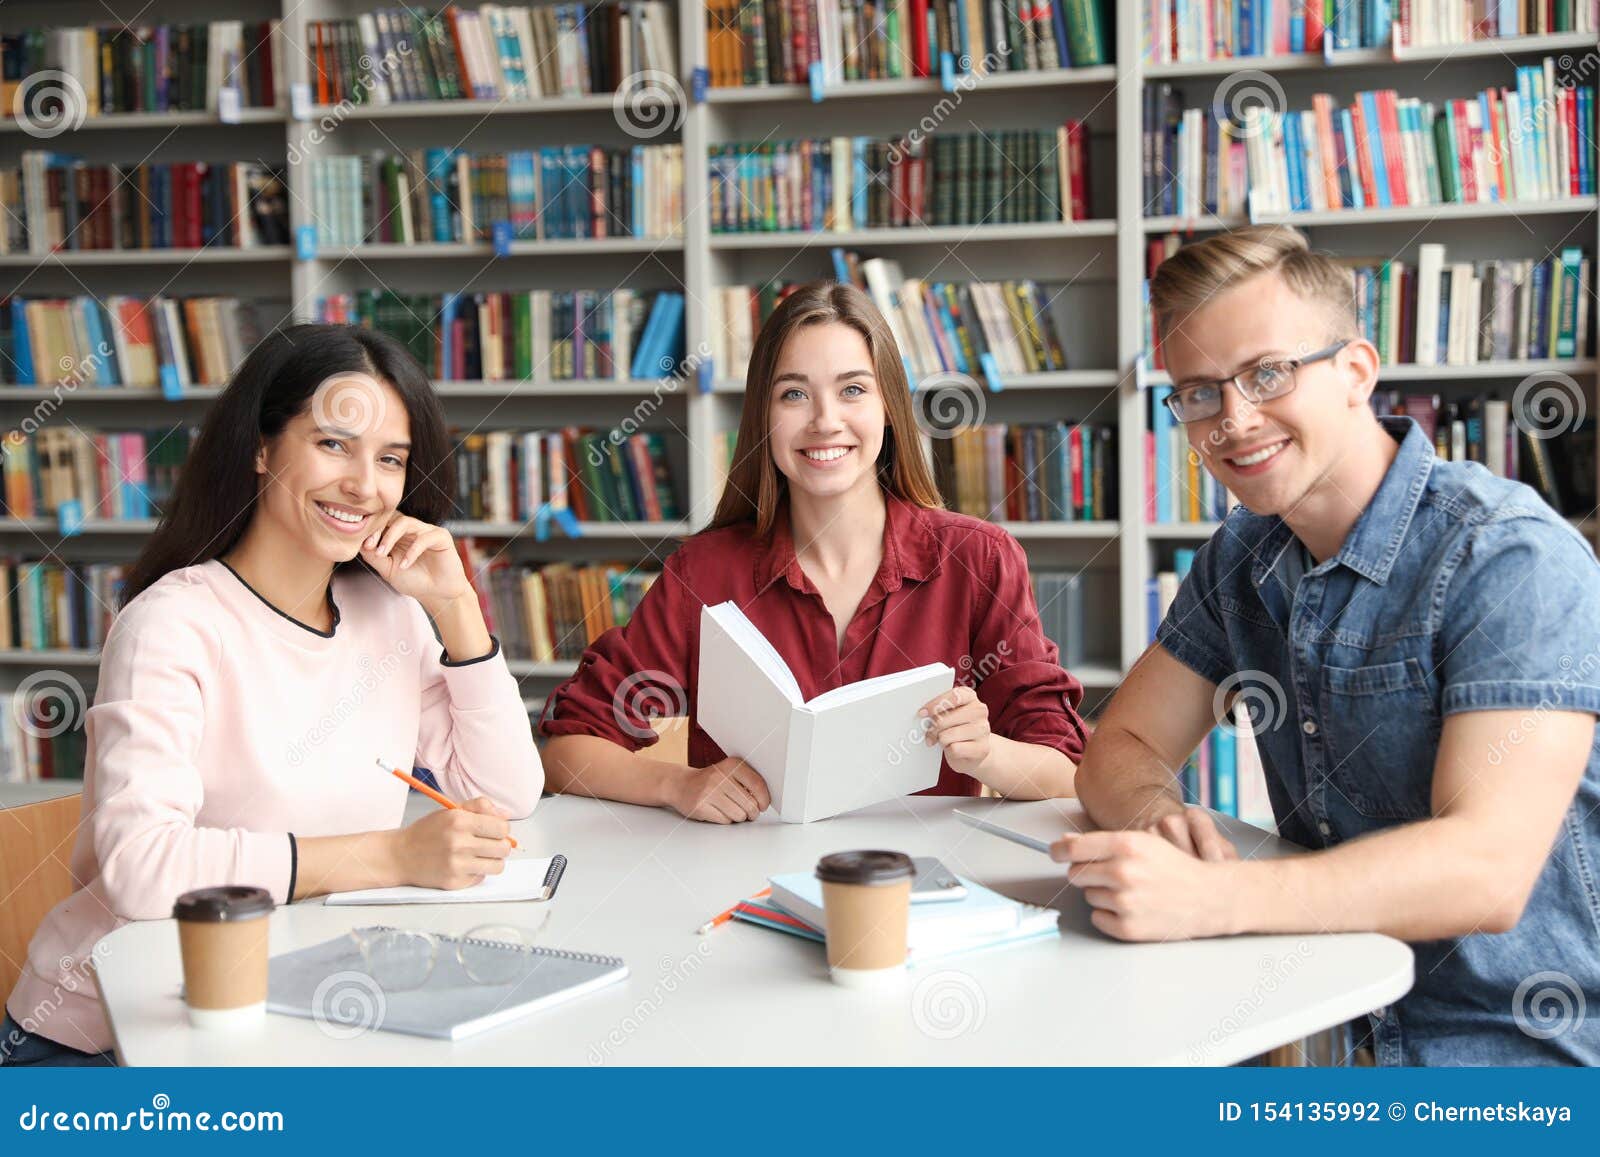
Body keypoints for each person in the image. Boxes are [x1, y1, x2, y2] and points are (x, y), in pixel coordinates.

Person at [1065, 225, 1600, 1065]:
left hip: (1521, 1052)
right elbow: (1119, 747)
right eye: (1199, 391)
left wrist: (1215, 897)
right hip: (1321, 1021)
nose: (1233, 421)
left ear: (1356, 371)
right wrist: (1160, 822)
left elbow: (1488, 869)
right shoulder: (1241, 557)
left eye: (1267, 373)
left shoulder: (1509, 554)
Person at [2, 325, 543, 1066]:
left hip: (296, 1013)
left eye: (390, 459)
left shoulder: (390, 615)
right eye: (332, 444)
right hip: (112, 1042)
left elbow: (505, 792)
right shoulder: (173, 623)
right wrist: (391, 855)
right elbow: (141, 869)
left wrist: (456, 608)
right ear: (261, 448)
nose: (364, 484)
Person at [539, 281, 1087, 821]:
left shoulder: (979, 559)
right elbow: (568, 752)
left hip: (915, 890)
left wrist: (988, 753)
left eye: (853, 389)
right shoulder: (702, 573)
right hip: (742, 886)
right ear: (764, 419)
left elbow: (1066, 771)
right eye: (794, 394)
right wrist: (678, 784)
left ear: (890, 408)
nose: (825, 420)